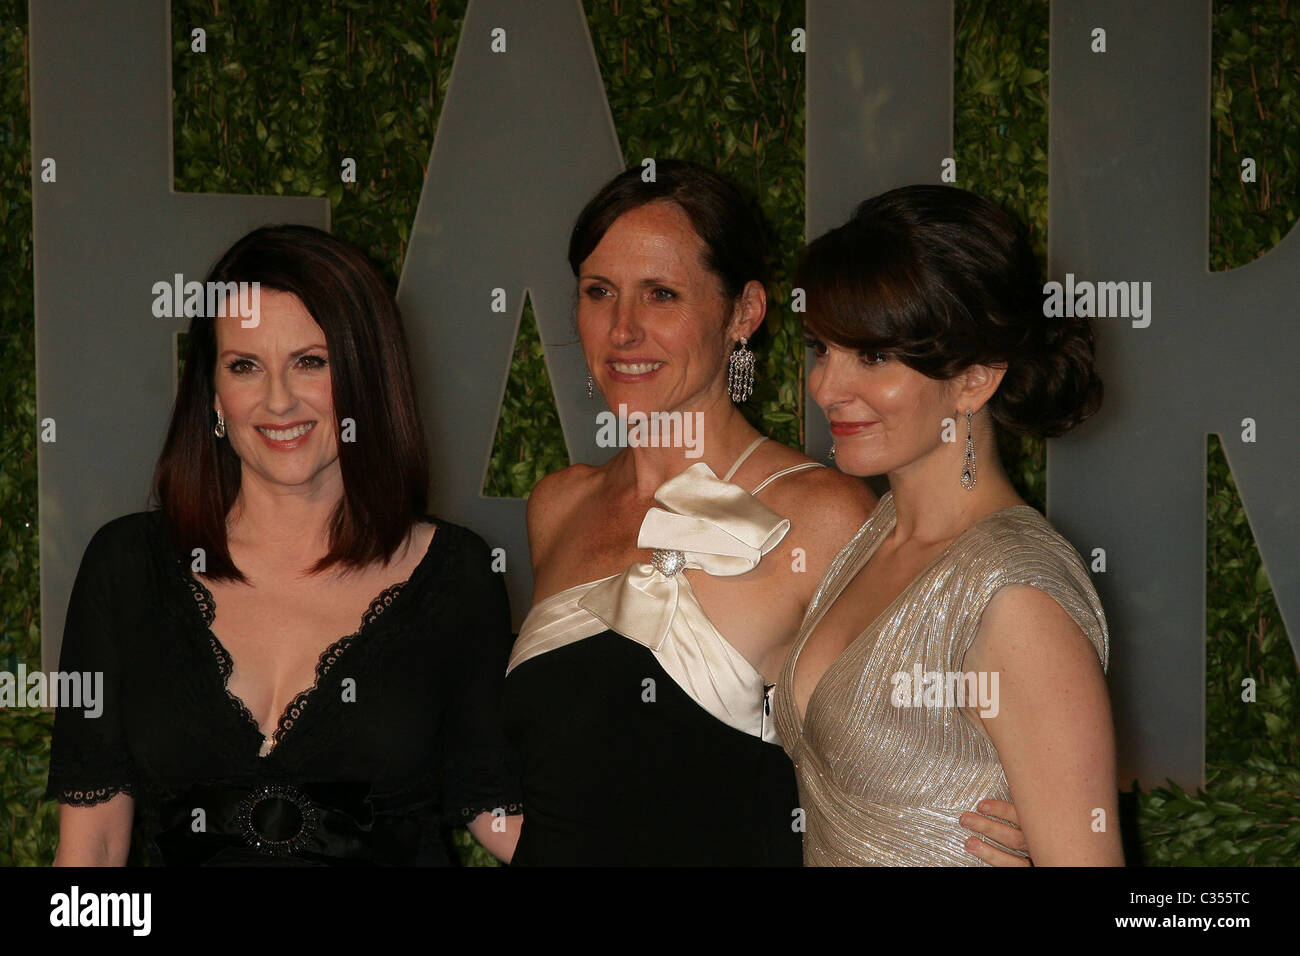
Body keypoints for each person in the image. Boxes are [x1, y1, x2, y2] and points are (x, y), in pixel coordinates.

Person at [502, 162, 1030, 865]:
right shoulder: (557, 504)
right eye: (600, 292)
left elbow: (928, 747)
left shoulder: (826, 514)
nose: (623, 329)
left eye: (662, 295)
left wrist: (1012, 827)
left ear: (744, 314)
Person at [46, 225, 521, 865]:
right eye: (245, 366)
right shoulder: (126, 566)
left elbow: (499, 814)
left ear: (366, 378)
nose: (277, 400)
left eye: (310, 362)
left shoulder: (458, 574)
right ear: (213, 394)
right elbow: (92, 850)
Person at [774, 184, 1123, 866]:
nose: (825, 387)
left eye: (872, 356)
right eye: (822, 348)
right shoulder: (875, 536)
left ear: (974, 380)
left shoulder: (1014, 594)